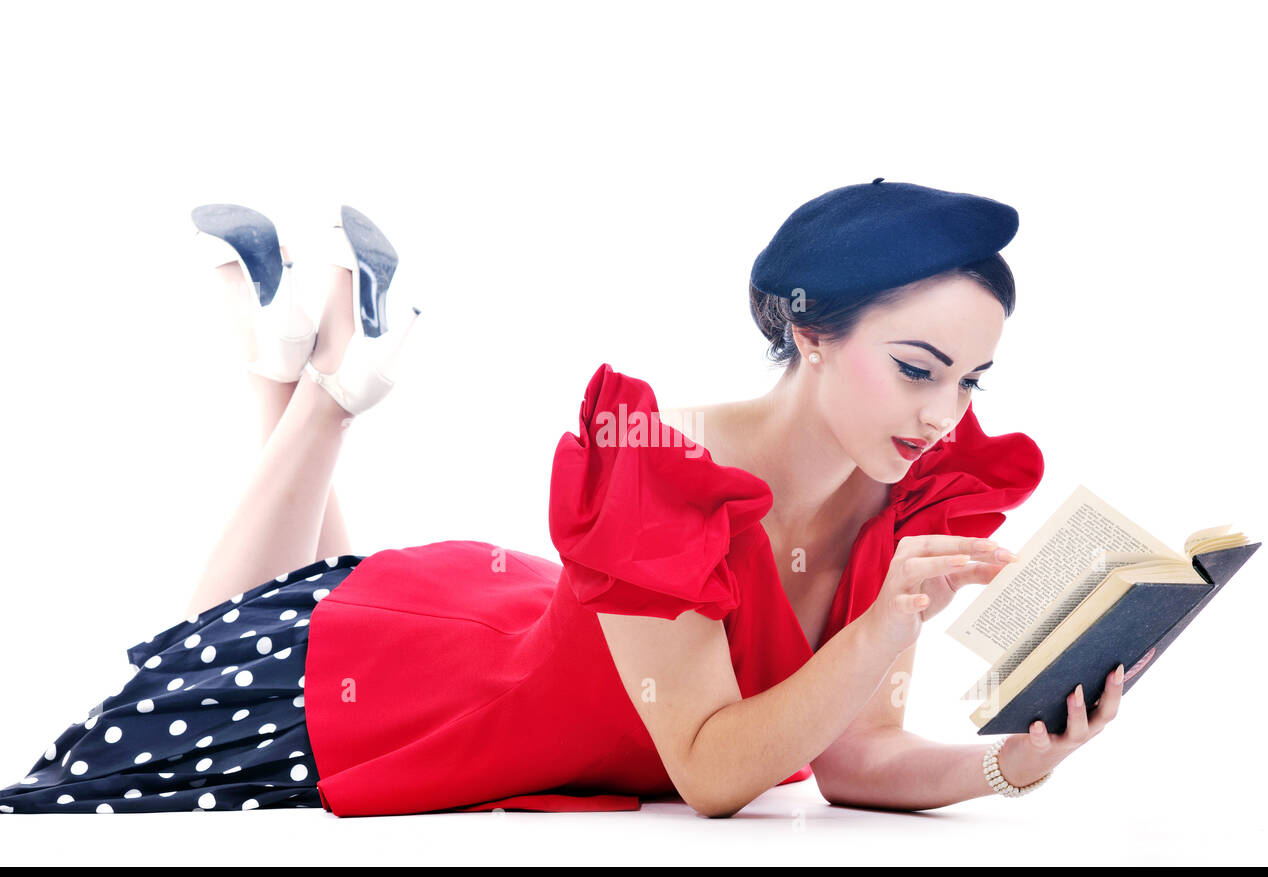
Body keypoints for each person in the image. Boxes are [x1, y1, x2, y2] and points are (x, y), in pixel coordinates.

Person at [0, 182, 1125, 818]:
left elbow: (851, 754)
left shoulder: (911, 492)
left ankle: (292, 357)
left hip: (509, 632)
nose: (944, 413)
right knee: (221, 636)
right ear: (806, 330)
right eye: (919, 368)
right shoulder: (659, 461)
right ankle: (327, 388)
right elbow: (712, 768)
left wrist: (1003, 761)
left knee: (280, 595)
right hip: (451, 695)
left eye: (971, 380)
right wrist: (886, 621)